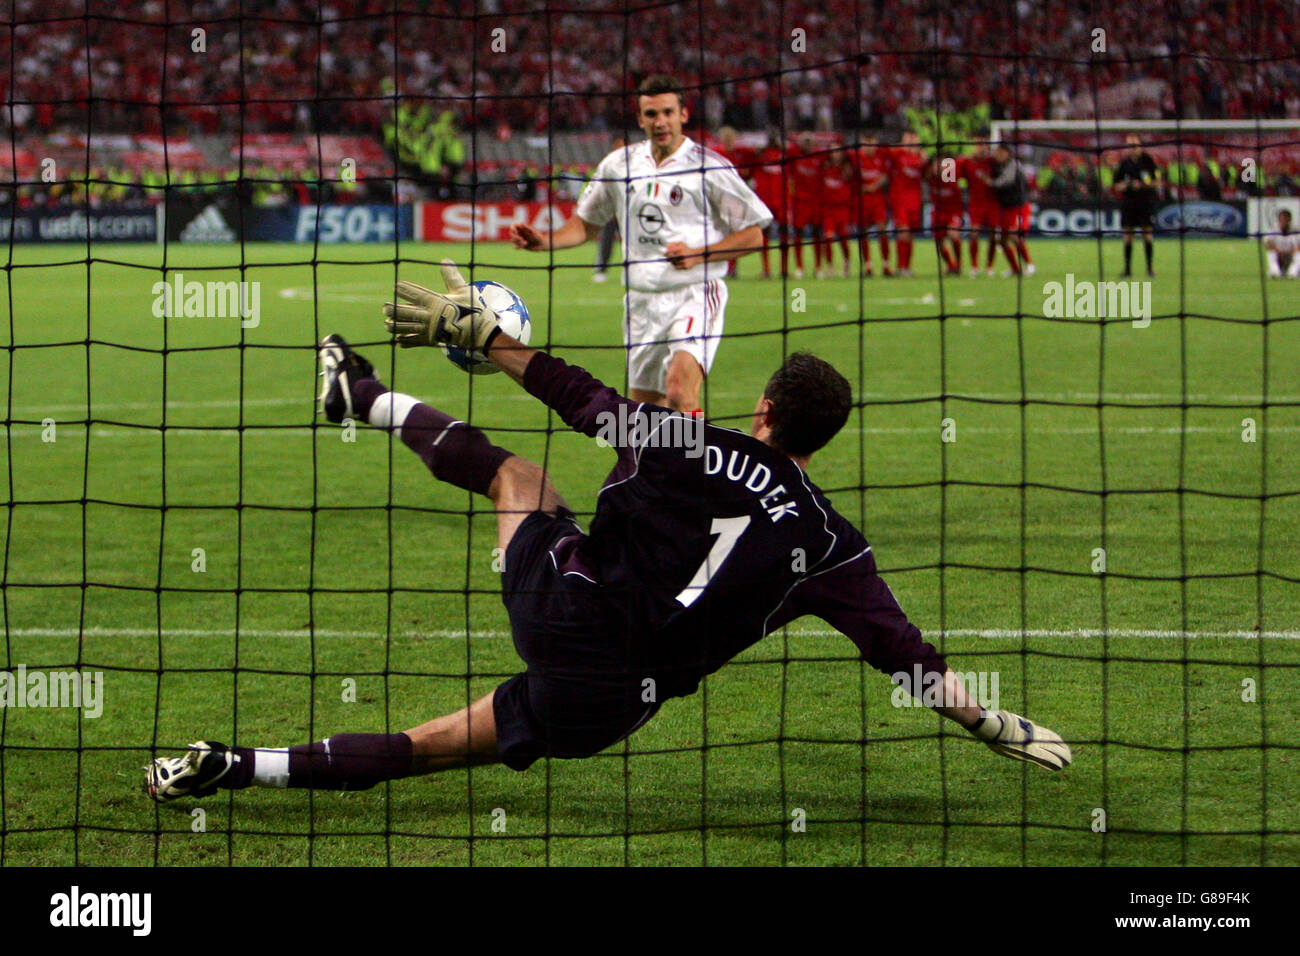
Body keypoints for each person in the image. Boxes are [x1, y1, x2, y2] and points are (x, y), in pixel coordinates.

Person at [146, 261, 1073, 802]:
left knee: (521, 476)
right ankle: (237, 767)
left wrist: (483, 336)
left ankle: (363, 396)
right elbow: (903, 654)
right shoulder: (833, 546)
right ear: (820, 439)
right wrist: (989, 720)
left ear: (762, 407)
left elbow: (577, 394)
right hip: (615, 699)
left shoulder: (681, 440)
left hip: (565, 603)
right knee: (429, 748)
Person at [509, 74, 771, 415]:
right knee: (645, 411)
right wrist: (545, 241)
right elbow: (586, 224)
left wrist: (698, 254)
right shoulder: (619, 165)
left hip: (694, 293)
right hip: (641, 303)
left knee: (679, 389)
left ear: (683, 115)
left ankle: (694, 467)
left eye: (667, 112)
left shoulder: (710, 167)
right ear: (640, 119)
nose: (660, 121)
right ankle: (658, 468)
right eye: (651, 114)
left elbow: (754, 234)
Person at [1114, 134, 1161, 277]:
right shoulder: (1124, 164)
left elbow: (1157, 183)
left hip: (1145, 202)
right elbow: (1117, 186)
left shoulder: (1149, 161)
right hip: (1129, 203)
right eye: (1129, 146)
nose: (1132, 149)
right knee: (1128, 235)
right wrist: (1128, 185)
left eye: (1134, 145)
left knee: (1147, 234)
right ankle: (1127, 270)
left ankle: (1149, 269)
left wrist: (1142, 185)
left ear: (1140, 146)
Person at [886, 130, 926, 277]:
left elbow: (927, 176)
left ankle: (906, 267)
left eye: (914, 139)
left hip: (915, 200)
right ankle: (901, 266)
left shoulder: (920, 157)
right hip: (899, 199)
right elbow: (887, 151)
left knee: (910, 235)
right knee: (903, 232)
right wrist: (902, 146)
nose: (911, 142)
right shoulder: (898, 154)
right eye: (908, 139)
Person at [592, 135, 625, 283]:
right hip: (610, 210)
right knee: (606, 240)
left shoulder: (636, 165)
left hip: (628, 212)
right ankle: (601, 270)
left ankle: (631, 270)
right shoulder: (607, 166)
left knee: (632, 243)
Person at [1265, 209, 1300, 278]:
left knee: (1299, 255)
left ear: (1289, 221)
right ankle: (1275, 272)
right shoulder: (1273, 229)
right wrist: (1278, 251)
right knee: (1271, 253)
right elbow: (1268, 243)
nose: (1284, 222)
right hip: (1279, 256)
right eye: (1282, 220)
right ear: (1278, 220)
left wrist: (1292, 252)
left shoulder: (1296, 230)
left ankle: (1292, 273)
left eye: (1286, 220)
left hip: (1291, 255)